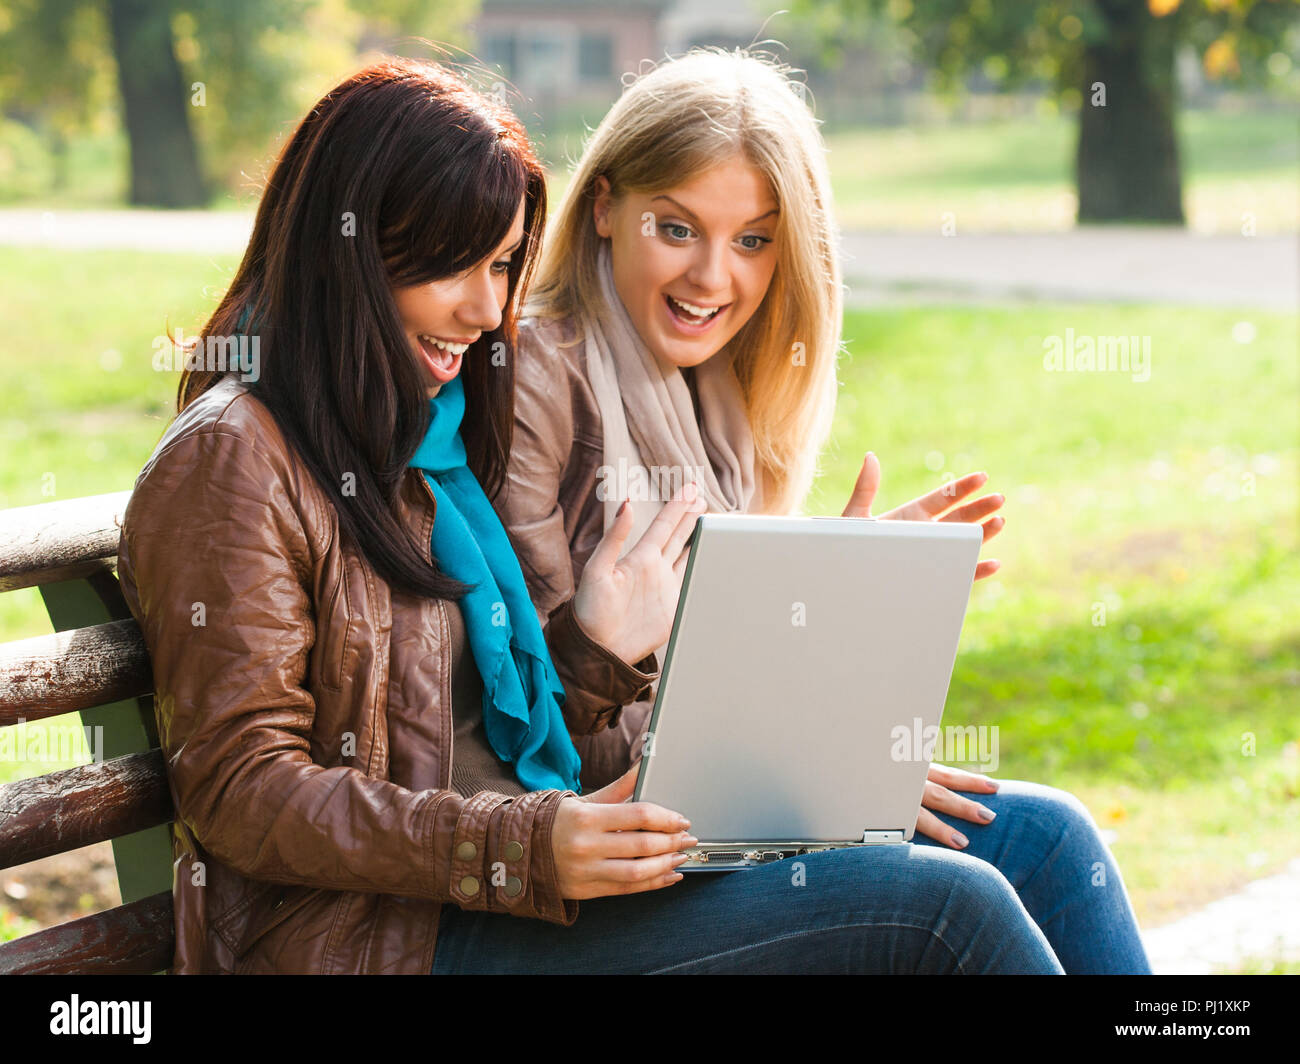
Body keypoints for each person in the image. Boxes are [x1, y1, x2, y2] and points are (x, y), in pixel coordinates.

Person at [116, 54, 1063, 976]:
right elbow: (242, 789)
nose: (488, 313)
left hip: (494, 893)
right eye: (452, 266)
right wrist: (525, 848)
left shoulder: (408, 441)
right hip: (383, 940)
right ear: (348, 249)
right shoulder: (234, 454)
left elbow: (476, 736)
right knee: (943, 910)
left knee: (1047, 844)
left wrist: (604, 648)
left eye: (499, 267)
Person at [487, 48, 1151, 974]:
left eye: (754, 240)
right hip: (580, 873)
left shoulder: (716, 396)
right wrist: (807, 759)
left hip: (702, 827)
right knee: (956, 902)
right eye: (676, 229)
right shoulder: (532, 381)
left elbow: (718, 695)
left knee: (1050, 838)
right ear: (603, 207)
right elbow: (516, 735)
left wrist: (831, 608)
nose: (715, 278)